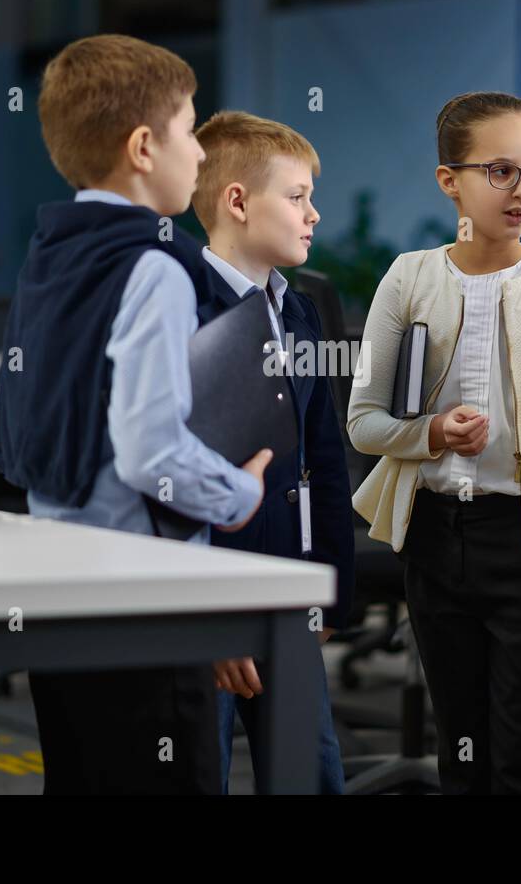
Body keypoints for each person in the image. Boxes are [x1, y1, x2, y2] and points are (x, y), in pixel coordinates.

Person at [0, 34, 270, 795]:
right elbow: (151, 454)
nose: (202, 155)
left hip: (57, 591)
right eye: (189, 131)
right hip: (145, 601)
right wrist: (240, 493)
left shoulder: (52, 251)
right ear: (144, 146)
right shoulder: (154, 266)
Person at [347, 91, 521, 794]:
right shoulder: (409, 278)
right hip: (437, 537)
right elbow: (364, 422)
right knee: (461, 746)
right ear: (450, 181)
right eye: (501, 171)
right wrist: (432, 433)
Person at [191, 110, 355, 794]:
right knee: (201, 773)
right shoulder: (182, 309)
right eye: (297, 197)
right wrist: (209, 619)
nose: (314, 214)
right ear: (237, 201)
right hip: (209, 606)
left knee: (312, 776)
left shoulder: (299, 310)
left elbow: (324, 461)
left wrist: (329, 591)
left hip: (288, 596)